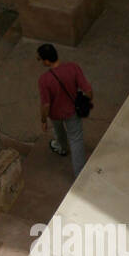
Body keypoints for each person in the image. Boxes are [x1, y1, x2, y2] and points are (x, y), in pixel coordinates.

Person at [37, 43, 93, 179]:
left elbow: (46, 105)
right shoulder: (73, 67)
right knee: (76, 139)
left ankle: (62, 148)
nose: (40, 61)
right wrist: (84, 101)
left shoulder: (44, 80)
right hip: (72, 111)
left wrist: (43, 120)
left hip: (55, 114)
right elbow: (88, 91)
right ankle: (79, 175)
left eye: (39, 59)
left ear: (46, 61)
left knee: (59, 131)